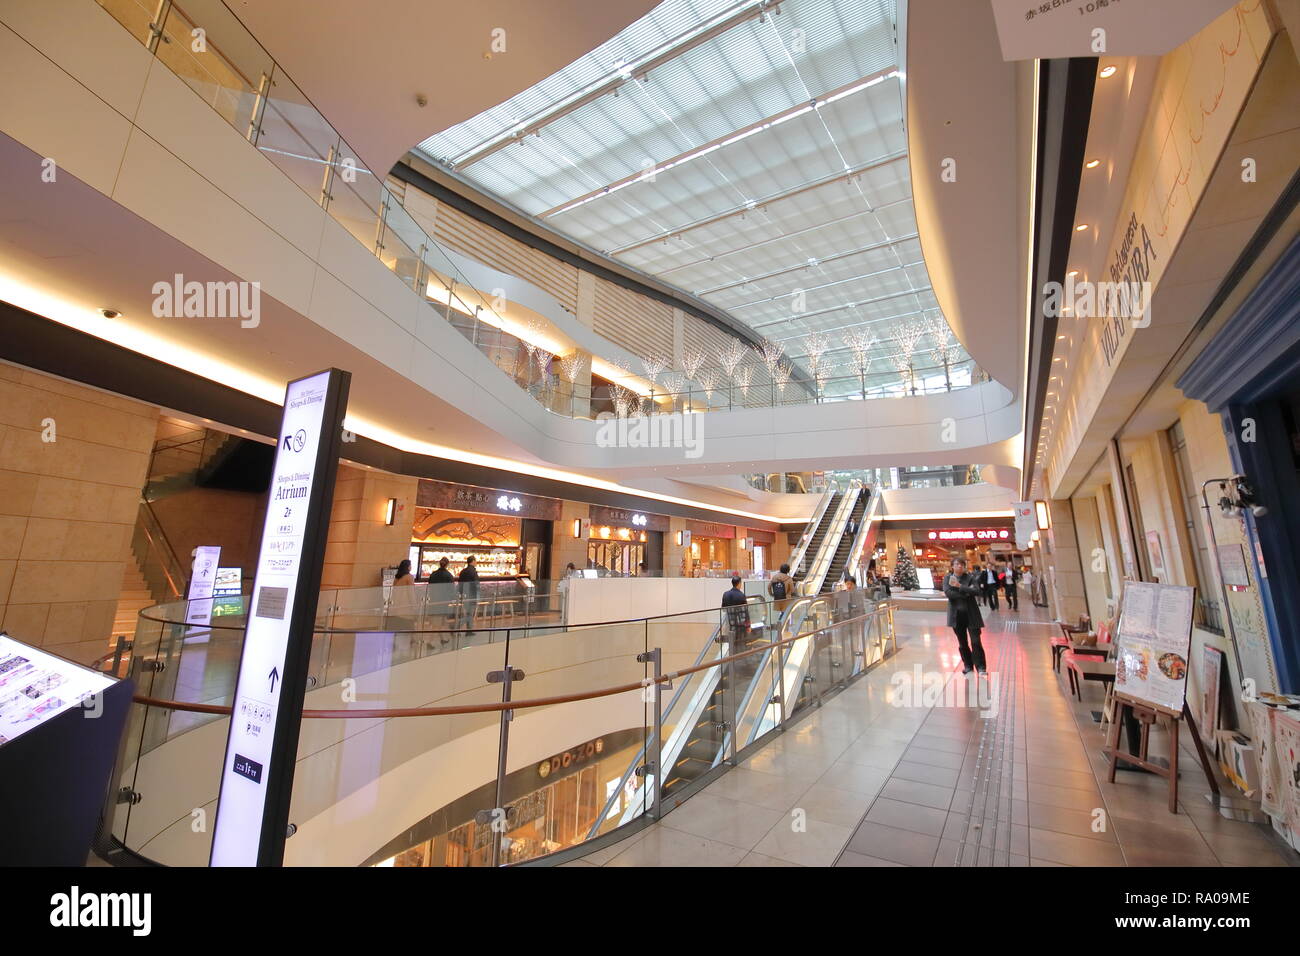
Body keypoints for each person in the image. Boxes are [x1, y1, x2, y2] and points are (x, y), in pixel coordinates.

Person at [943, 557, 987, 676]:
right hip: (956, 616)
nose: (960, 566)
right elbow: (948, 593)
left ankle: (981, 667)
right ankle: (968, 665)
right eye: (957, 564)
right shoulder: (948, 578)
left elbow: (977, 591)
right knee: (962, 643)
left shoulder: (970, 577)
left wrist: (959, 586)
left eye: (962, 564)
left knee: (976, 641)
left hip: (971, 614)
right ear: (952, 566)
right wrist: (966, 593)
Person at [427, 556, 456, 641]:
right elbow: (451, 590)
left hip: (434, 601)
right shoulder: (449, 575)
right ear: (447, 565)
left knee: (441, 621)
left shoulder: (433, 574)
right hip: (443, 602)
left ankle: (443, 638)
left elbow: (430, 587)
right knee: (438, 623)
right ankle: (430, 642)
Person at [721, 575, 750, 646]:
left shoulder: (725, 594)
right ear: (739, 583)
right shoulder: (741, 595)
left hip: (728, 621)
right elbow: (745, 611)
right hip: (739, 623)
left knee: (730, 640)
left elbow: (723, 609)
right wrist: (748, 625)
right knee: (739, 641)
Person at [458, 555, 480, 634]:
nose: (476, 562)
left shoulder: (463, 571)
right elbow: (476, 584)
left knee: (468, 612)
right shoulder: (473, 571)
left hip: (464, 594)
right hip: (472, 595)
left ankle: (469, 630)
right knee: (470, 613)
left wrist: (461, 593)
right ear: (473, 561)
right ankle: (456, 626)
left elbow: (460, 583)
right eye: (476, 561)